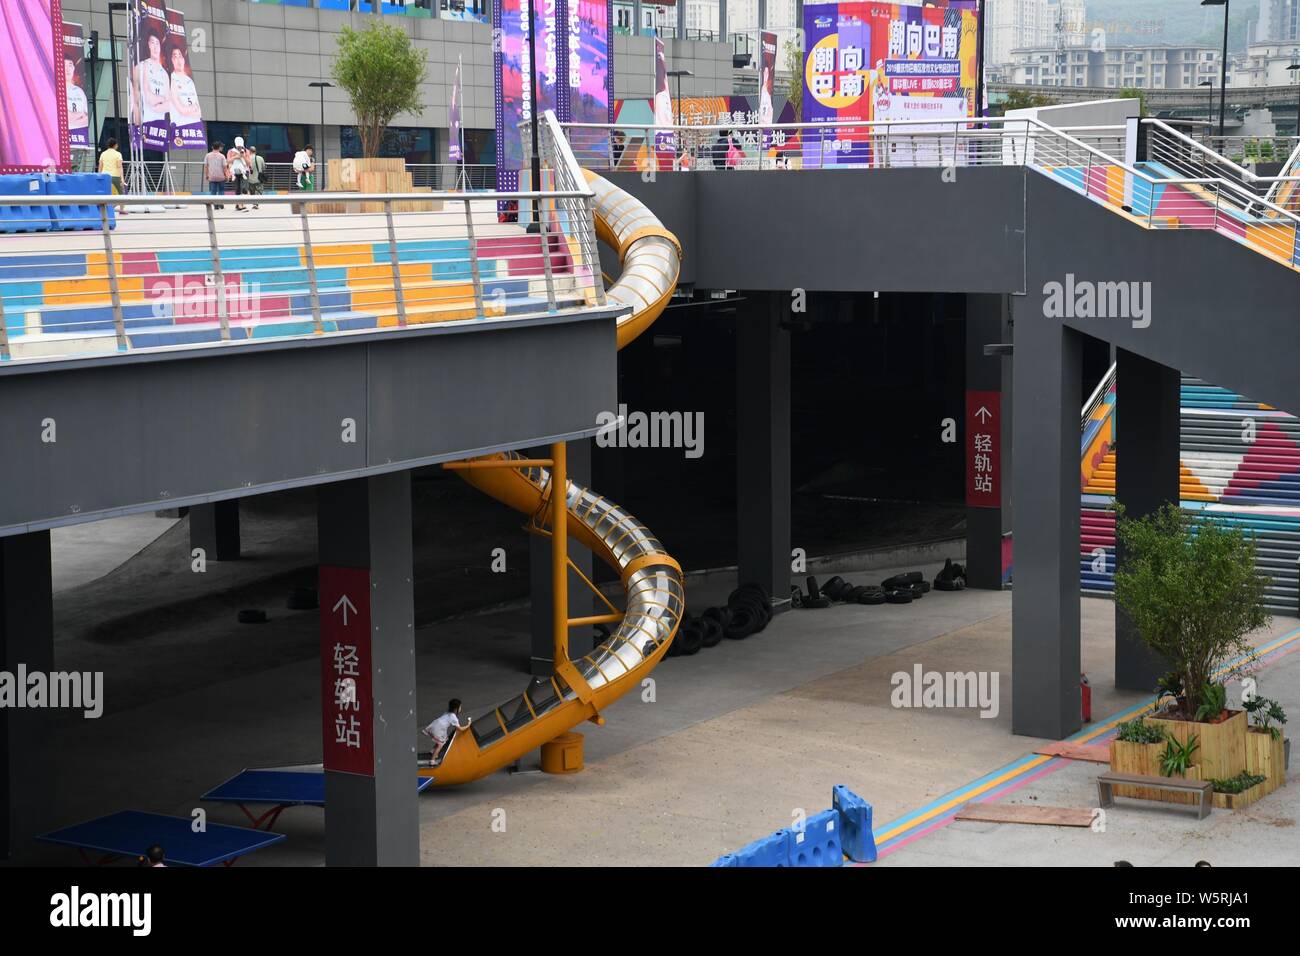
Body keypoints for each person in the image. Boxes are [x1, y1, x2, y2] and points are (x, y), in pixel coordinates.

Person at [98, 138, 124, 211]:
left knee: (105, 192)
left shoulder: (103, 153)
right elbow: (120, 167)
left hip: (105, 176)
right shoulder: (118, 154)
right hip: (115, 175)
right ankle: (121, 209)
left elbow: (100, 166)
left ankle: (104, 209)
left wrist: (99, 176)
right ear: (115, 145)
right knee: (121, 192)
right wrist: (122, 178)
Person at [228, 138, 250, 211]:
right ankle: (238, 204)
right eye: (238, 147)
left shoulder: (246, 151)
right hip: (235, 171)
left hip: (244, 171)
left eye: (240, 146)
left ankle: (242, 204)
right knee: (237, 189)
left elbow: (249, 163)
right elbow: (228, 161)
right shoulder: (230, 151)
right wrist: (236, 156)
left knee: (244, 188)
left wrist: (243, 156)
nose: (239, 148)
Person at [205, 142, 228, 209]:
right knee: (221, 190)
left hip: (212, 176)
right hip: (221, 176)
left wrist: (207, 175)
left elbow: (206, 166)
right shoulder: (222, 156)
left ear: (212, 147)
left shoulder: (208, 155)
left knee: (213, 191)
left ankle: (215, 205)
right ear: (219, 148)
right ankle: (220, 203)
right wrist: (226, 175)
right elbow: (224, 167)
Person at [246, 145, 266, 209]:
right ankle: (256, 204)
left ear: (249, 151)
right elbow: (264, 168)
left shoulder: (247, 158)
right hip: (258, 178)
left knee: (252, 191)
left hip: (250, 178)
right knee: (259, 191)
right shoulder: (260, 158)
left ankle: (254, 203)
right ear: (255, 151)